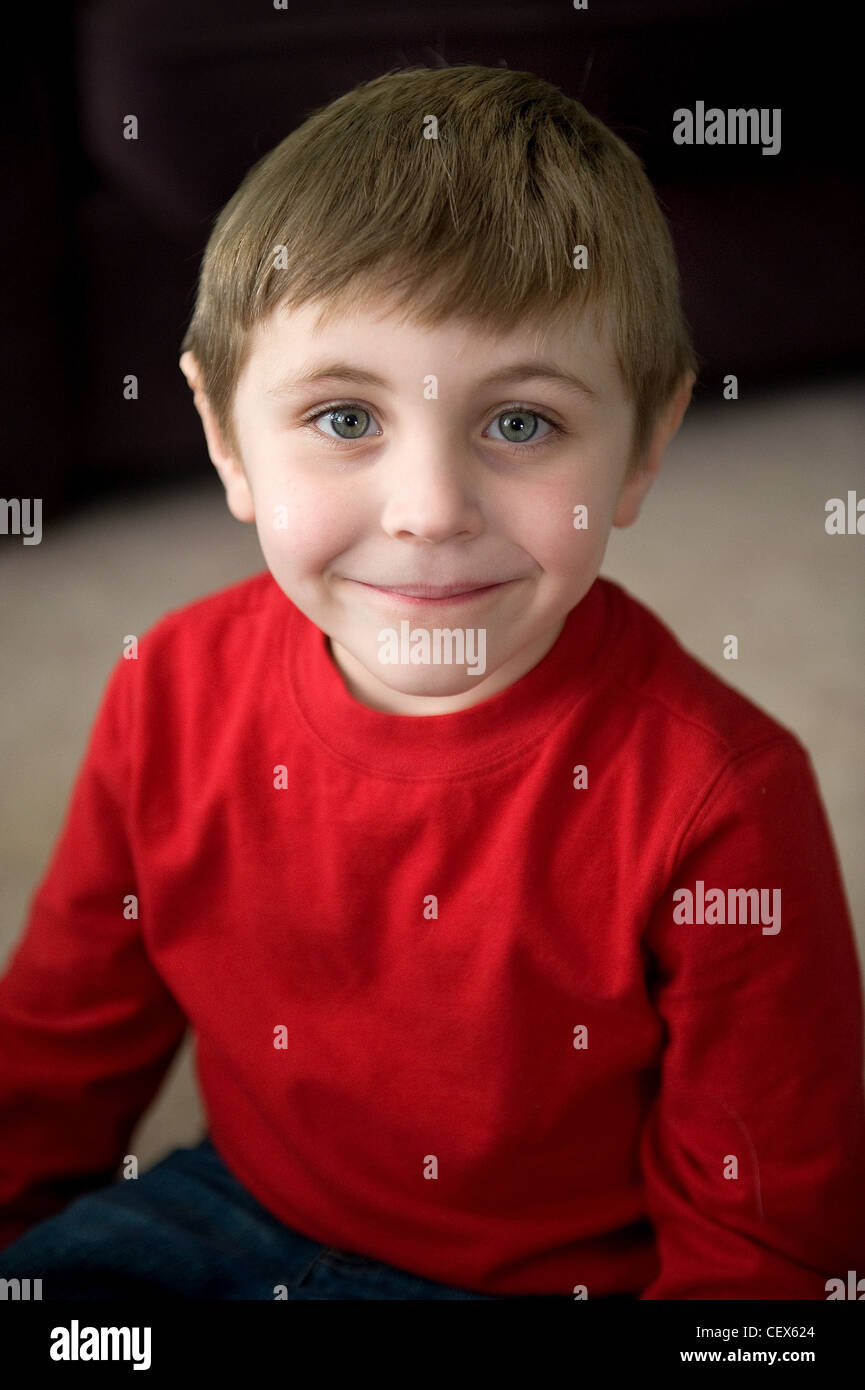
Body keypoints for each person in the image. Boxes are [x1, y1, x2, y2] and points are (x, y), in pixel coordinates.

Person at [1, 63, 863, 1301]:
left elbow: (768, 1238)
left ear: (645, 447)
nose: (428, 514)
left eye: (519, 424)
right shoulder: (171, 686)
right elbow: (53, 1056)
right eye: (344, 419)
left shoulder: (722, 798)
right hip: (227, 1208)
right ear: (225, 438)